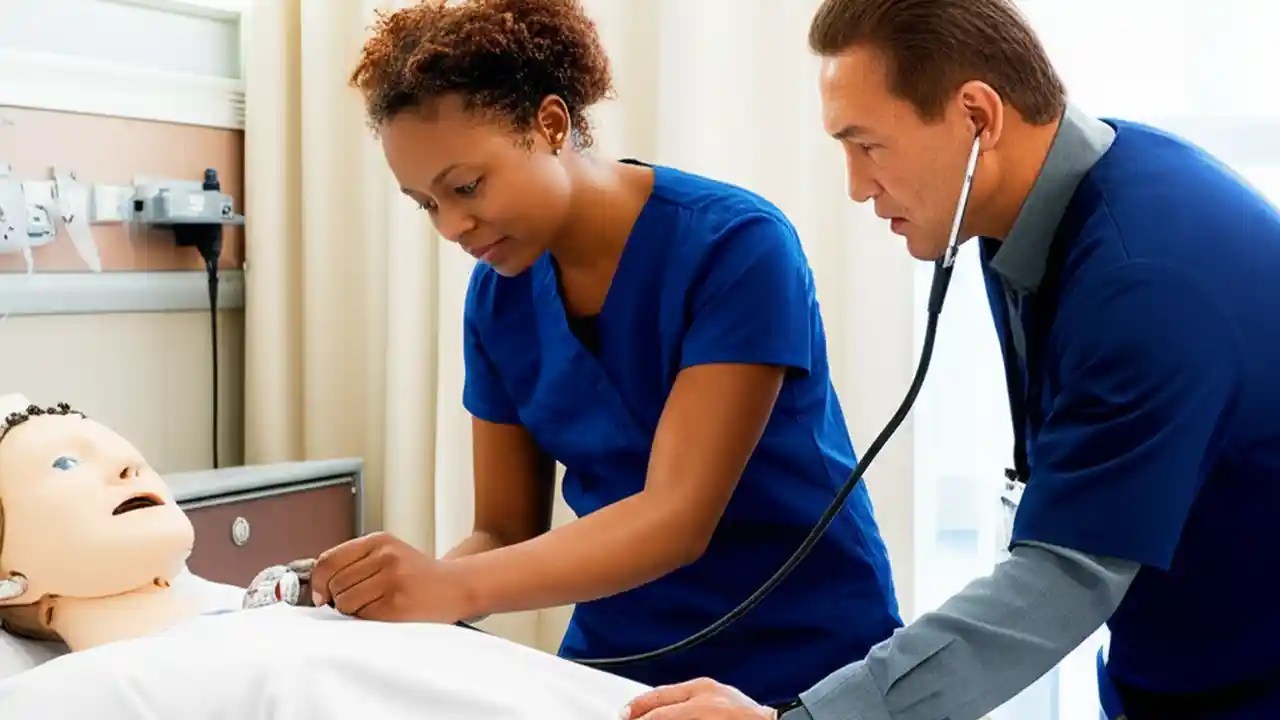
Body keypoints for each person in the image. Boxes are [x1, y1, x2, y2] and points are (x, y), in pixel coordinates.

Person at [620, 0, 1280, 719]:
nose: (856, 185)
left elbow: (1064, 577)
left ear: (976, 118)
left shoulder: (1143, 278)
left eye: (867, 145)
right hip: (1179, 662)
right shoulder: (1048, 212)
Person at [305, 0, 905, 707]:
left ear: (550, 125)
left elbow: (675, 518)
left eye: (466, 187)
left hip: (803, 651)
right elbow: (503, 528)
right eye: (426, 204)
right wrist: (386, 599)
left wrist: (448, 586)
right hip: (622, 651)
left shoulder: (737, 248)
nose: (453, 225)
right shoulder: (496, 299)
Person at [0, 394, 653, 719]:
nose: (124, 464)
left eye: (121, 448)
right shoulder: (65, 696)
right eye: (65, 464)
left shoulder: (287, 614)